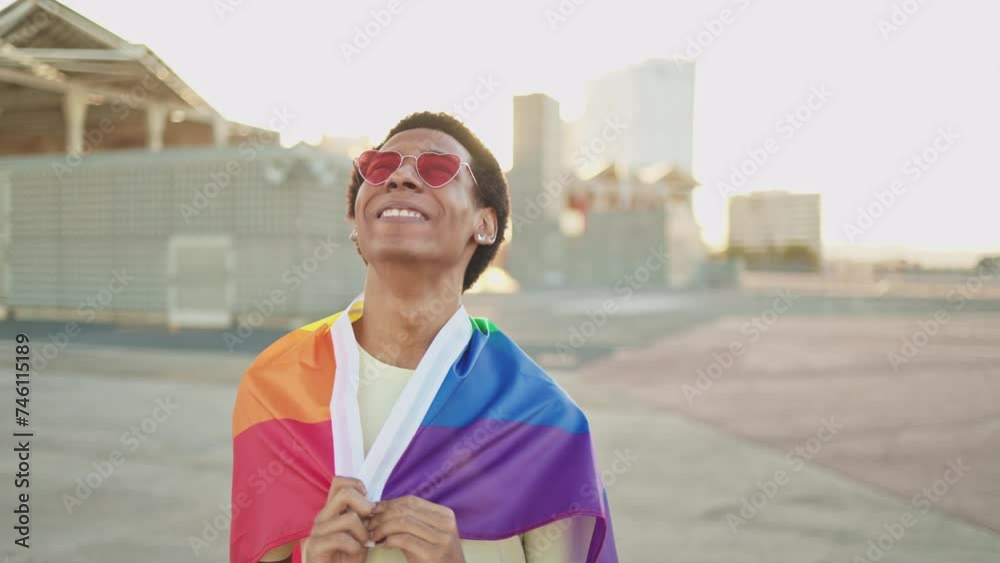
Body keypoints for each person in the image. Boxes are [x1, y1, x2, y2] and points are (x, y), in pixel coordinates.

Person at [230, 112, 618, 563]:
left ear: (485, 225)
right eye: (378, 167)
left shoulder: (544, 422)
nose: (400, 175)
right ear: (357, 221)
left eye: (437, 169)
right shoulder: (276, 385)